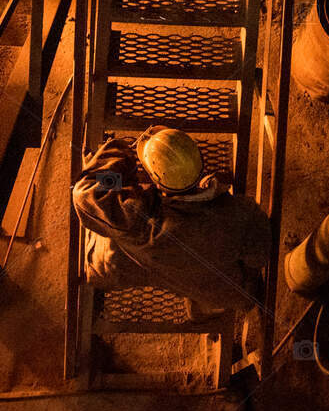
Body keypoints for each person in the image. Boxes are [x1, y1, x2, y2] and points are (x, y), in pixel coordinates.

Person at [72, 128, 272, 320]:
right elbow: (259, 258)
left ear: (156, 182)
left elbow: (84, 193)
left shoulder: (140, 221)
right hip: (224, 292)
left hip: (160, 269)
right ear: (201, 161)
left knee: (110, 253)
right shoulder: (243, 213)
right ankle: (204, 303)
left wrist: (120, 154)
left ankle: (193, 292)